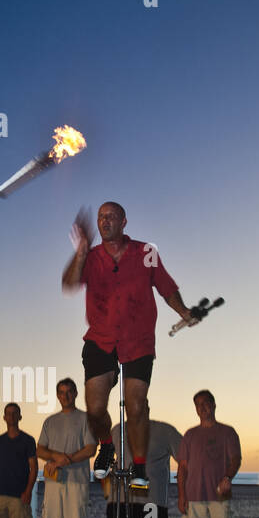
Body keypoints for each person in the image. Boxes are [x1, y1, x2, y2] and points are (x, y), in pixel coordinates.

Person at [61, 201, 199, 490]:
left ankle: (139, 465)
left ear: (124, 222)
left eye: (111, 216)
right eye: (100, 217)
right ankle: (108, 446)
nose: (104, 221)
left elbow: (165, 286)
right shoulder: (92, 256)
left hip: (138, 340)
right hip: (101, 338)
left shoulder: (145, 252)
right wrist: (81, 253)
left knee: (136, 406)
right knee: (95, 409)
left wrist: (184, 311)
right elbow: (69, 283)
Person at [177, 390, 242, 518]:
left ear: (214, 404)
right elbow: (183, 468)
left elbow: (235, 460)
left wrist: (228, 478)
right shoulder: (189, 435)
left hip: (219, 495)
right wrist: (181, 495)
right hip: (194, 494)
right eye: (198, 404)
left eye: (206, 403)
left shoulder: (227, 432)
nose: (202, 407)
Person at [35, 377, 97, 518]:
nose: (65, 396)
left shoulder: (85, 419)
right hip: (54, 482)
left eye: (69, 392)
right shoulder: (50, 421)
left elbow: (91, 448)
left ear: (76, 393)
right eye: (61, 392)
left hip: (77, 481)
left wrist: (65, 460)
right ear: (57, 395)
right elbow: (40, 449)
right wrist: (57, 456)